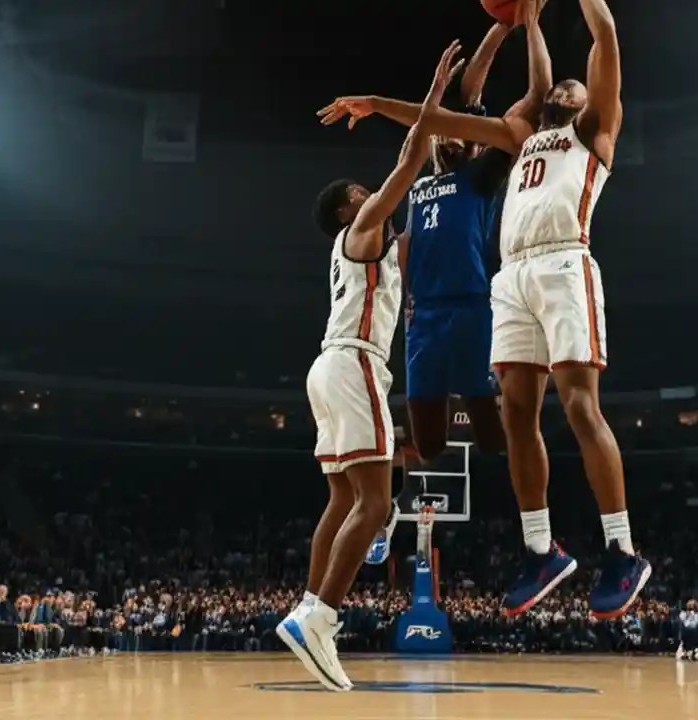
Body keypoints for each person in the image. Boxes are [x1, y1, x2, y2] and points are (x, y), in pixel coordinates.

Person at [319, 0, 648, 619]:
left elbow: (602, 35)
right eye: (562, 86)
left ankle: (622, 548)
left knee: (578, 404)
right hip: (512, 278)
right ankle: (540, 548)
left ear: (586, 100)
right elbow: (441, 117)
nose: (566, 89)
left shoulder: (594, 129)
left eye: (574, 87)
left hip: (562, 263)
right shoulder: (521, 137)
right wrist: (377, 102)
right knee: (517, 413)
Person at [275, 42, 465, 693]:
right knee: (380, 498)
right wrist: (433, 97)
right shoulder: (358, 231)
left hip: (330, 367)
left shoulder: (367, 243)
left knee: (343, 498)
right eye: (359, 193)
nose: (368, 192)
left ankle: (308, 602)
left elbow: (413, 233)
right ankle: (321, 615)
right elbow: (409, 162)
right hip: (354, 365)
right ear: (344, 211)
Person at [318, 16, 537, 567]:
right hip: (418, 323)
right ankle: (385, 514)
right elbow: (408, 233)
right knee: (427, 440)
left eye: (456, 129)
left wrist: (503, 28)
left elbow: (471, 92)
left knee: (490, 436)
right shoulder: (412, 190)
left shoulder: (480, 174)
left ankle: (524, 498)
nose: (446, 134)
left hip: (467, 306)